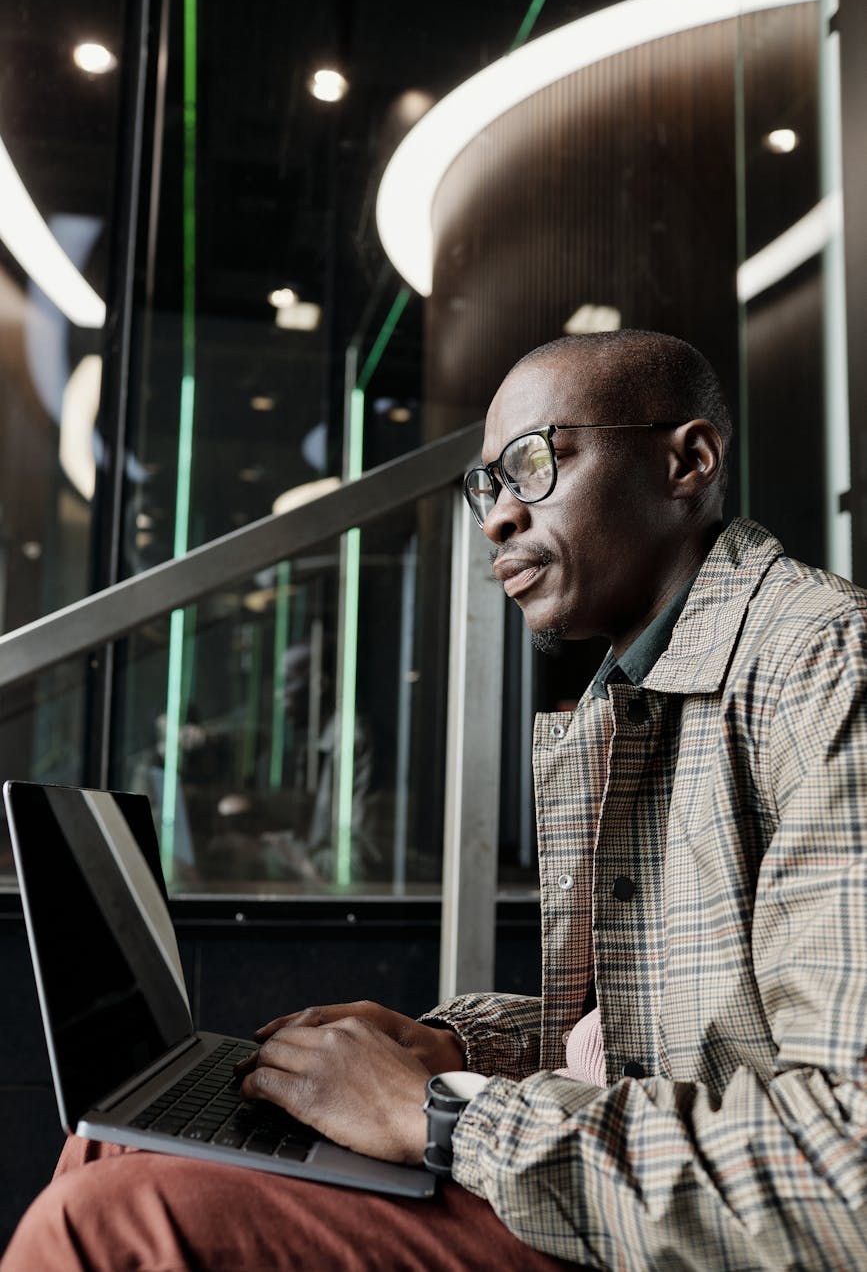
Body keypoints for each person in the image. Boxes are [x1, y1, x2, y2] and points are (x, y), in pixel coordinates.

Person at [5, 329, 867, 1270]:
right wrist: (454, 1045)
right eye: (486, 484)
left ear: (685, 460)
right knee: (114, 1139)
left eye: (534, 465)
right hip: (619, 1182)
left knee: (102, 1225)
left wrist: (442, 1115)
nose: (496, 517)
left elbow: (842, 1164)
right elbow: (669, 1044)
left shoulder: (824, 668)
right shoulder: (638, 688)